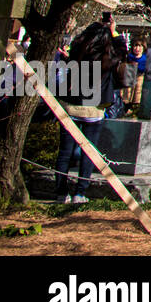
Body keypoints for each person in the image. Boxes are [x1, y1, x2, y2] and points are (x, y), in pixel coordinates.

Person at [53, 22, 121, 203]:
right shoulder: (108, 56)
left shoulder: (77, 52)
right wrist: (113, 32)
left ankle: (61, 192)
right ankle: (80, 193)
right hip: (94, 108)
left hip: (71, 105)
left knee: (65, 152)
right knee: (88, 152)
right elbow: (123, 50)